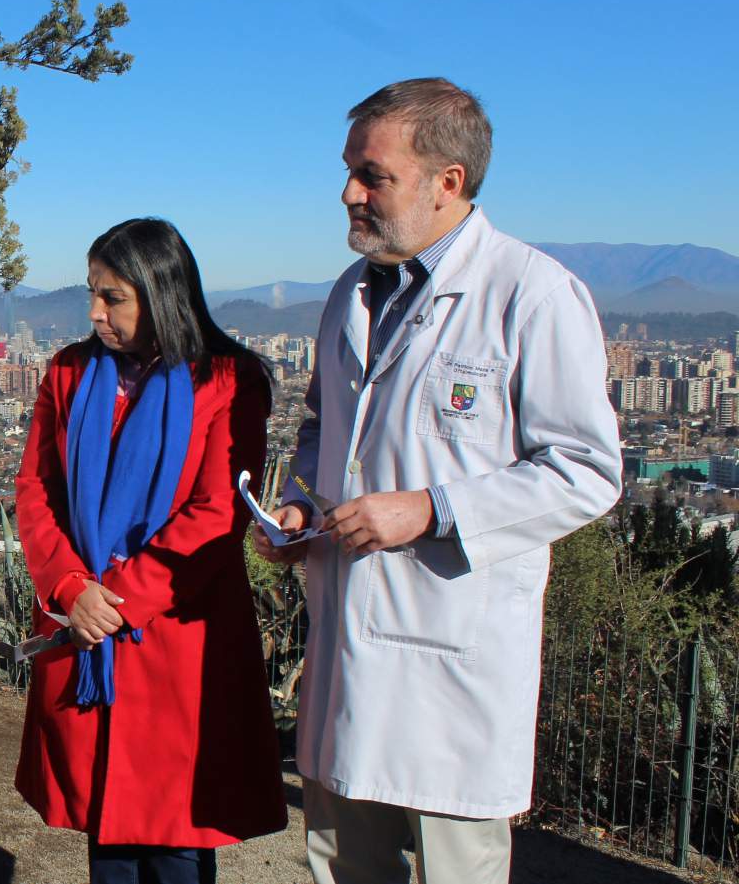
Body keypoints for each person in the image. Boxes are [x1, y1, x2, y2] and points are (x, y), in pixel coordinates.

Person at [254, 78, 620, 884]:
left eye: (371, 174)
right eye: (350, 170)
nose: (348, 192)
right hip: (349, 653)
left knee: (459, 873)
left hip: (455, 659)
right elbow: (325, 431)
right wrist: (300, 504)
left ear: (446, 182)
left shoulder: (531, 294)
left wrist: (430, 510)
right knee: (344, 867)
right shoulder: (349, 295)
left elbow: (587, 471)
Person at [15, 218, 287, 884]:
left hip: (179, 638)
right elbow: (35, 487)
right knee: (107, 831)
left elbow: (218, 508)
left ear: (161, 293)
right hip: (86, 628)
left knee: (176, 836)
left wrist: (119, 599)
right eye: (92, 294)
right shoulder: (70, 375)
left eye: (112, 297)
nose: (94, 312)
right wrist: (71, 588)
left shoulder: (228, 380)